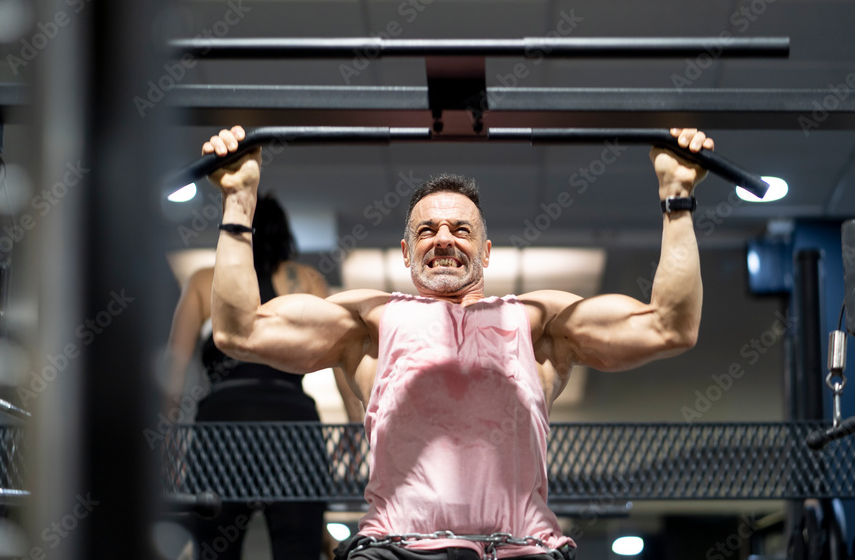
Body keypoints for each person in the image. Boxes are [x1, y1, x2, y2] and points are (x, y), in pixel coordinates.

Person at [202, 126, 713, 560]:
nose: (443, 238)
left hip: (521, 549)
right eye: (427, 230)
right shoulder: (370, 325)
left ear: (485, 252)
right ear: (407, 253)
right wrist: (239, 201)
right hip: (396, 549)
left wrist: (677, 197)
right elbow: (238, 330)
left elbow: (669, 327)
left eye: (460, 229)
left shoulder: (538, 324)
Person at [165, 194, 364, 560]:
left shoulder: (204, 281)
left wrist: (168, 441)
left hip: (224, 428)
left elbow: (173, 370)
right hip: (293, 428)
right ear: (285, 235)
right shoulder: (307, 280)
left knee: (215, 552)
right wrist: (354, 432)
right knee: (298, 552)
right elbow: (343, 361)